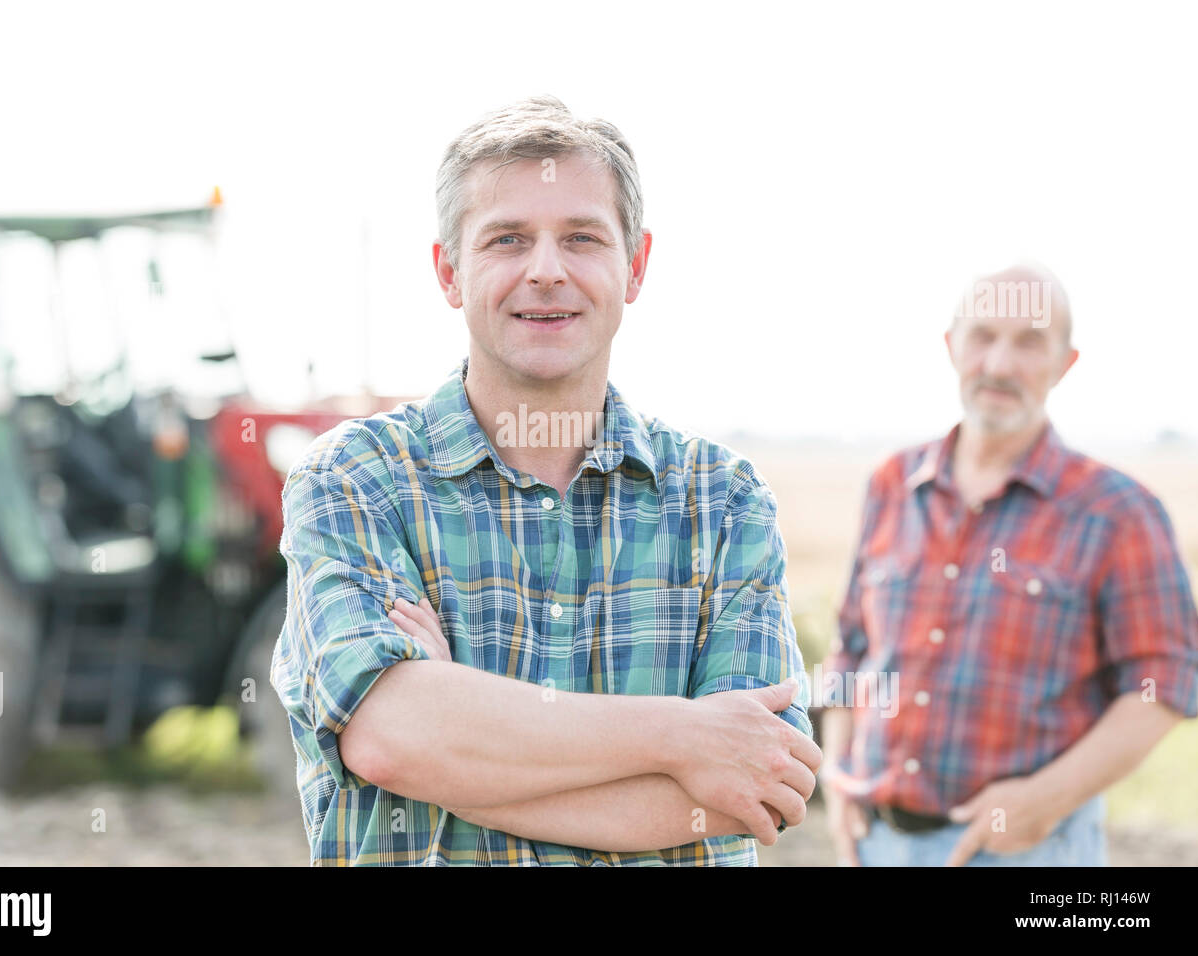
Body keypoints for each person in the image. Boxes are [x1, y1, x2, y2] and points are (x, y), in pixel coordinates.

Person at [270, 95, 822, 866]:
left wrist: (457, 727)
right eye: (507, 239)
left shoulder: (724, 503)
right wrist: (686, 736)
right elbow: (393, 739)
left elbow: (759, 784)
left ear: (635, 266)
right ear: (449, 272)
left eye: (582, 238)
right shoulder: (355, 479)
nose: (546, 270)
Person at [820, 264, 1198, 866]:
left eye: (1029, 342)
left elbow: (1166, 685)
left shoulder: (1117, 511)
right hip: (877, 844)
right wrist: (837, 775)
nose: (999, 365)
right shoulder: (892, 484)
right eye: (983, 336)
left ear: (1064, 363)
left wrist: (1047, 800)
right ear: (952, 346)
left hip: (1030, 850)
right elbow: (849, 648)